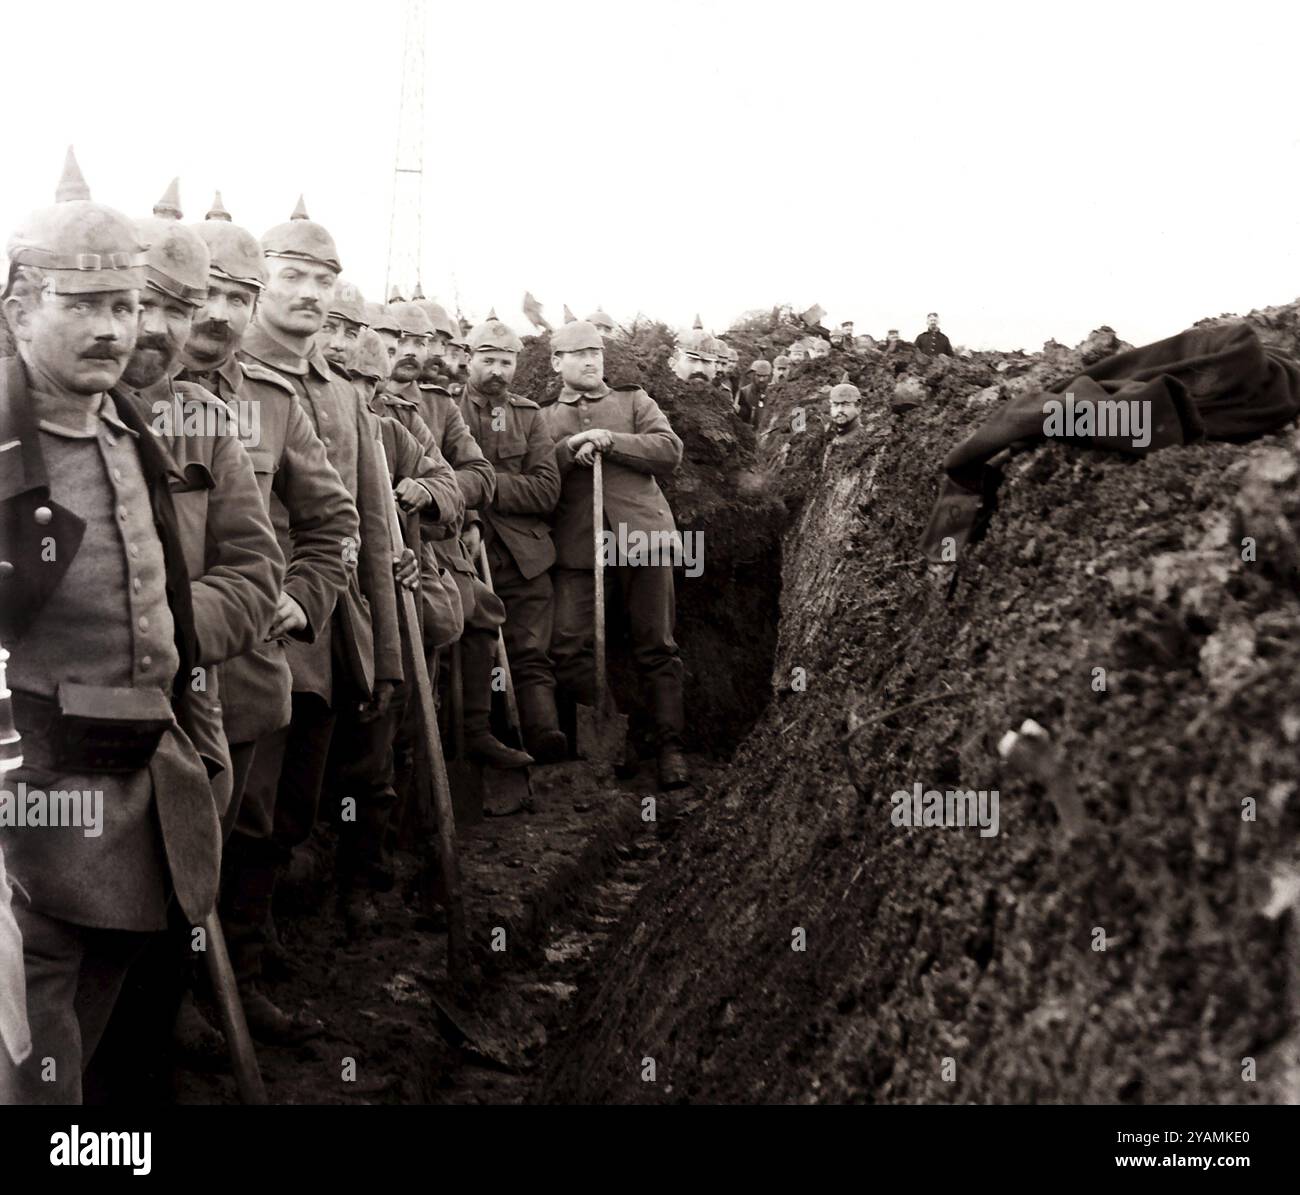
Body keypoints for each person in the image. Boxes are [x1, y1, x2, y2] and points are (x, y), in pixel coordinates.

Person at [0, 150, 239, 1102]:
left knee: (84, 1042)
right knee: (34, 1064)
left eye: (125, 305)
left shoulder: (128, 429)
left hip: (136, 798)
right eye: (84, 304)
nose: (114, 328)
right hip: (32, 811)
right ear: (20, 307)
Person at [232, 197, 405, 1030]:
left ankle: (254, 948)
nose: (307, 292)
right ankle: (219, 973)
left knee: (294, 804)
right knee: (245, 804)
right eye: (292, 275)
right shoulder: (229, 372)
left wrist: (384, 648)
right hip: (251, 633)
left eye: (323, 279)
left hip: (327, 627)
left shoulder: (343, 393)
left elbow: (366, 526)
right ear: (260, 279)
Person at [544, 320, 689, 790]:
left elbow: (669, 451)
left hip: (642, 536)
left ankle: (668, 746)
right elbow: (536, 471)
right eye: (579, 353)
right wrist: (568, 449)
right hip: (577, 545)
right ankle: (612, 741)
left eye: (597, 352)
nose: (591, 360)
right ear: (556, 363)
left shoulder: (632, 400)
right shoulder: (543, 417)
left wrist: (613, 439)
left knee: (656, 643)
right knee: (567, 644)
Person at [457, 317, 565, 762]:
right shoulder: (447, 409)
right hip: (465, 547)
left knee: (530, 649)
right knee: (472, 646)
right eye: (488, 360)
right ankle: (478, 738)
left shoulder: (528, 415)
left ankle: (543, 732)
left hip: (525, 553)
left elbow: (546, 489)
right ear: (469, 360)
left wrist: (484, 485)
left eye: (505, 361)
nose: (497, 370)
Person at [736, 359, 771, 425]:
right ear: (753, 375)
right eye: (758, 376)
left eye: (764, 376)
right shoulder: (744, 392)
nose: (761, 380)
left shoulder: (774, 393)